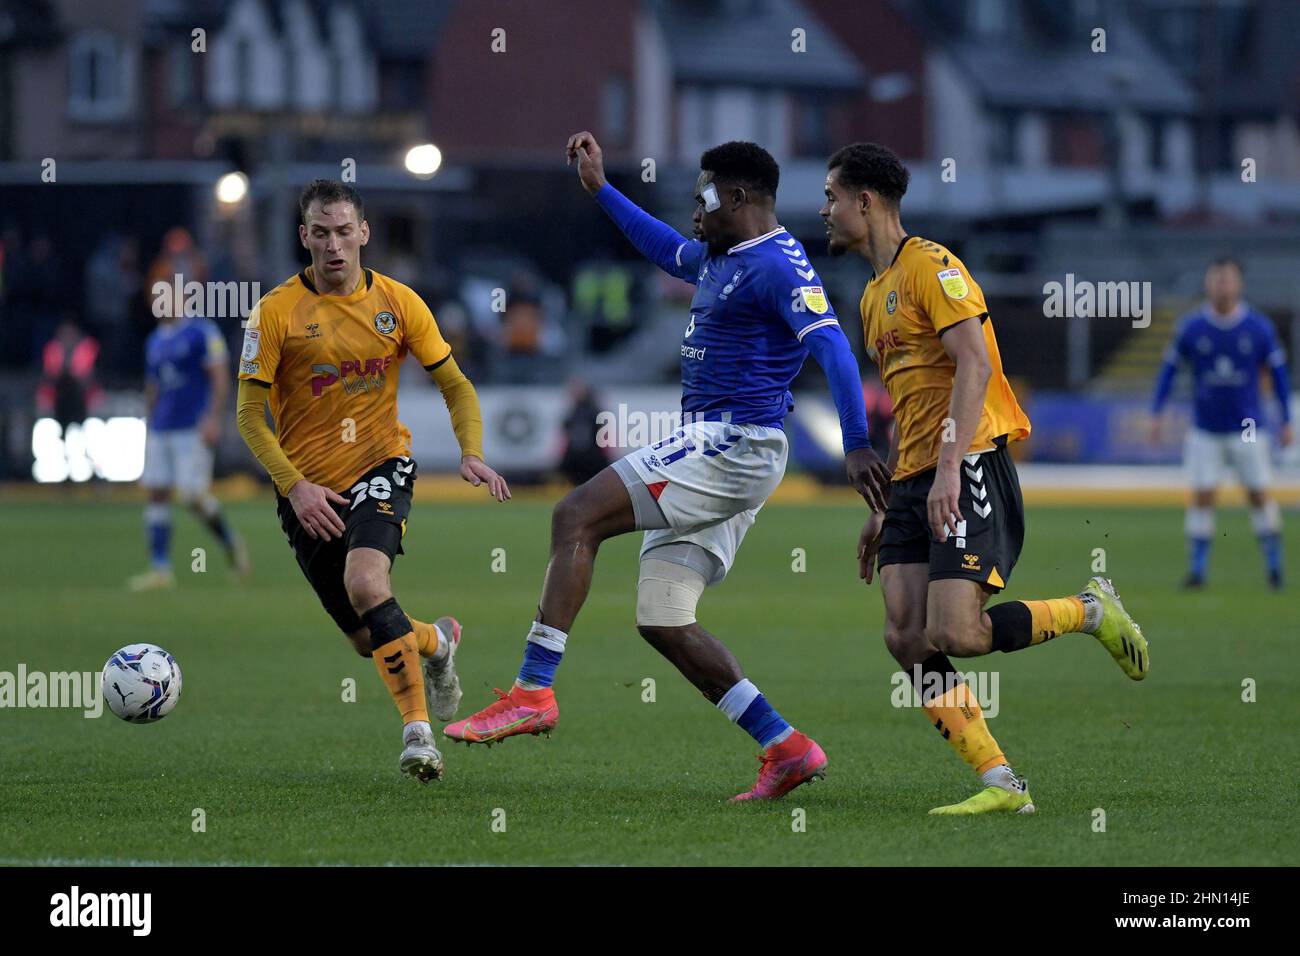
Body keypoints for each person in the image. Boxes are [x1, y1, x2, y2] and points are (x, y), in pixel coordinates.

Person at [445, 132, 891, 802]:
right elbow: (662, 246)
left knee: (575, 513)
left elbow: (831, 348)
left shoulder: (777, 264)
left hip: (736, 444)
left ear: (738, 197)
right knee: (661, 617)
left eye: (703, 196)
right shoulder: (720, 255)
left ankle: (533, 691)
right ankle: (787, 746)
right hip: (717, 450)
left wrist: (857, 443)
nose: (694, 209)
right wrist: (599, 190)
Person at [823, 142, 1148, 815]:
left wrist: (946, 467)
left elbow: (973, 364)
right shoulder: (872, 295)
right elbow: (909, 401)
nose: (824, 210)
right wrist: (889, 505)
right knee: (904, 635)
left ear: (865, 201)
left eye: (832, 197)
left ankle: (1090, 610)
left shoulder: (933, 267)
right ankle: (1001, 784)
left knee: (958, 635)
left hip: (966, 462)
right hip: (916, 477)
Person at [235, 179, 510, 783]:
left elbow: (455, 383)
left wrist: (471, 451)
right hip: (307, 490)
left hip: (381, 464)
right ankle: (436, 641)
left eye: (343, 232)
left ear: (364, 233)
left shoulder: (399, 302)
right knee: (367, 637)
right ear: (304, 236)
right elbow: (249, 415)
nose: (334, 245)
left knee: (366, 580)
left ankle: (418, 736)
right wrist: (293, 485)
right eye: (320, 233)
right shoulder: (275, 312)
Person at [1150, 256, 1292, 589]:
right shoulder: (1191, 327)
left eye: (1227, 279)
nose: (1221, 285)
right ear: (1207, 283)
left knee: (1258, 494)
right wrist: (1157, 411)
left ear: (1238, 284)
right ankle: (1197, 571)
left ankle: (1274, 567)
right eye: (1216, 279)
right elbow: (1169, 370)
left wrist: (1286, 419)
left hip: (1247, 427)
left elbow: (1280, 376)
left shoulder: (1258, 327)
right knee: (1202, 495)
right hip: (1205, 428)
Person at [129, 294, 249, 591]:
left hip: (191, 428)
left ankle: (230, 541)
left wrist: (214, 418)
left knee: (191, 496)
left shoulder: (201, 332)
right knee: (157, 493)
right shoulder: (154, 340)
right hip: (161, 427)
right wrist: (148, 422)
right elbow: (153, 385)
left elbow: (220, 376)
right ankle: (160, 569)